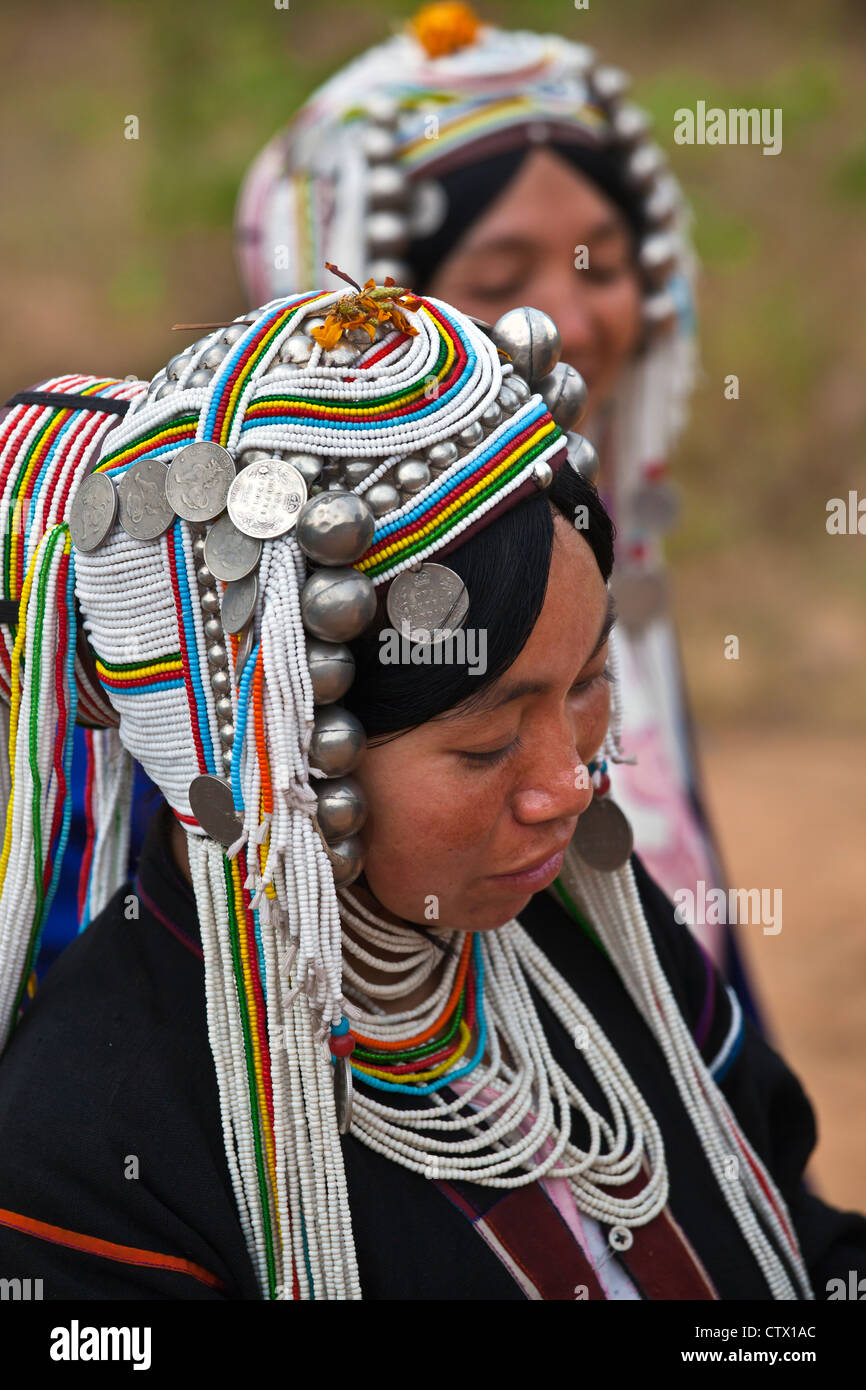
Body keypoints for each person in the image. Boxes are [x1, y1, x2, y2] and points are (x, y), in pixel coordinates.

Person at [0, 283, 861, 1299]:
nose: (569, 784)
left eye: (586, 685)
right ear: (280, 756)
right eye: (487, 744)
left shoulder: (583, 942)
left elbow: (800, 1251)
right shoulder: (88, 1154)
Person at [234, 3, 746, 992]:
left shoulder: (594, 554)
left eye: (601, 258)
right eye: (501, 276)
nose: (571, 318)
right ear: (374, 317)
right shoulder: (296, 633)